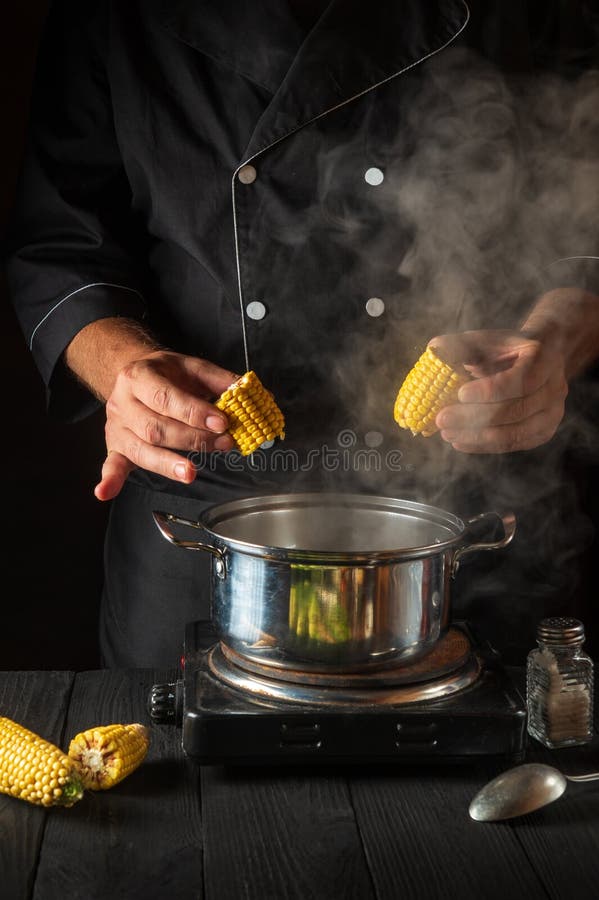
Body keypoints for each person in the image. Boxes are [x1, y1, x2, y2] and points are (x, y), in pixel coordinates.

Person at [5, 0, 599, 667]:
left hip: (462, 519)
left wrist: (555, 342)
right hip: (207, 515)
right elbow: (62, 246)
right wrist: (124, 367)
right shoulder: (111, 14)